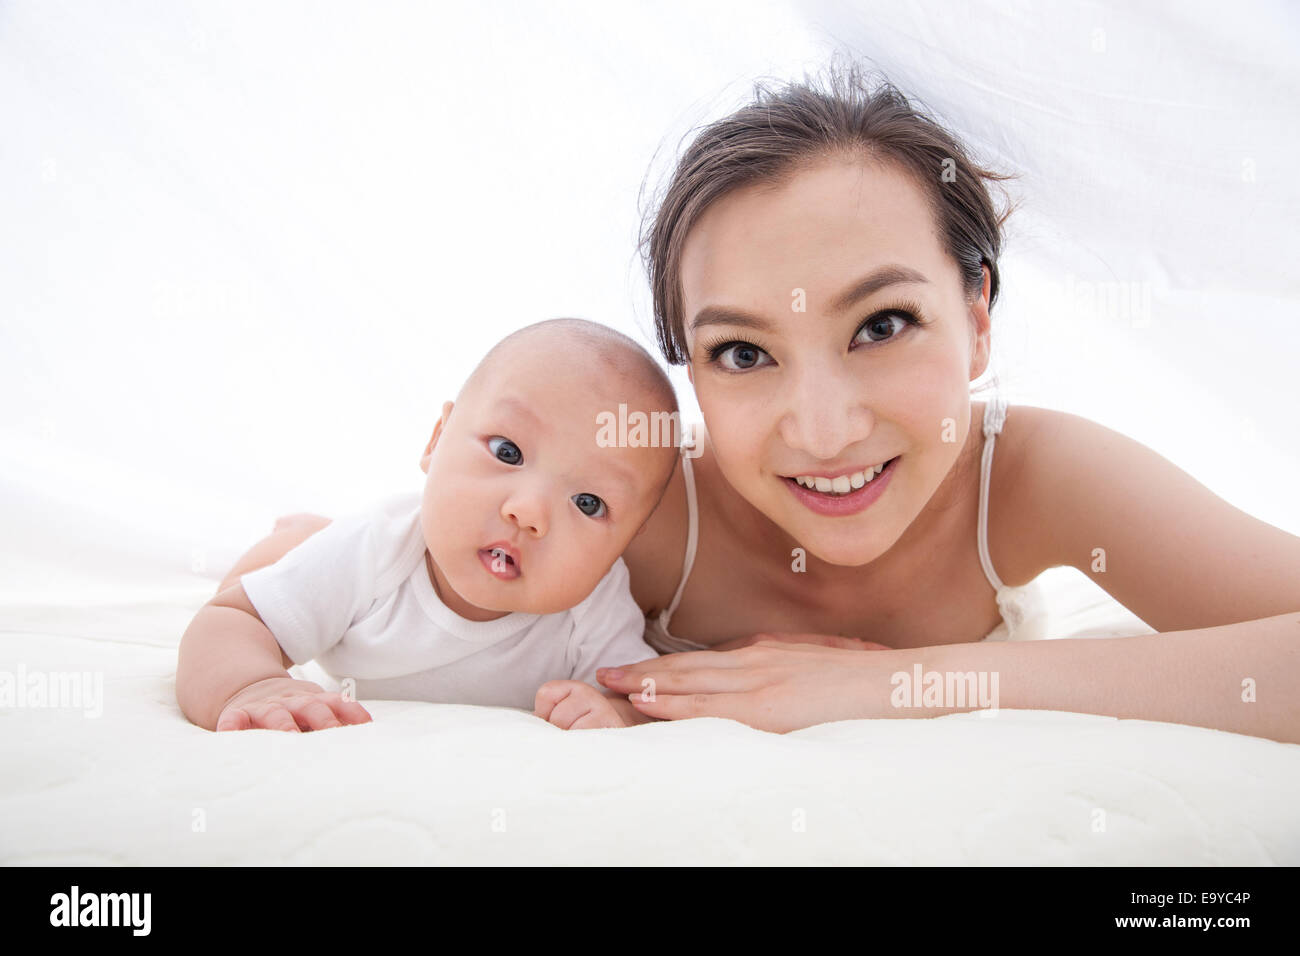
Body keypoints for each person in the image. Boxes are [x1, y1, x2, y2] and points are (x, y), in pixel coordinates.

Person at [212, 65, 1300, 743]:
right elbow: (422, 569)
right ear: (687, 375)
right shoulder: (634, 512)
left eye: (880, 324)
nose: (821, 428)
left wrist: (899, 685)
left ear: (975, 315)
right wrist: (292, 574)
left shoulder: (1031, 477)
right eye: (741, 351)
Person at [177, 319, 682, 733]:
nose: (528, 512)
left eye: (588, 502)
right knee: (280, 566)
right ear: (437, 439)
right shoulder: (375, 548)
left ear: (625, 542)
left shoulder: (595, 602)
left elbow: (637, 693)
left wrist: (615, 710)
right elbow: (230, 623)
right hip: (340, 564)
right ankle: (296, 535)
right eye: (508, 452)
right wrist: (250, 685)